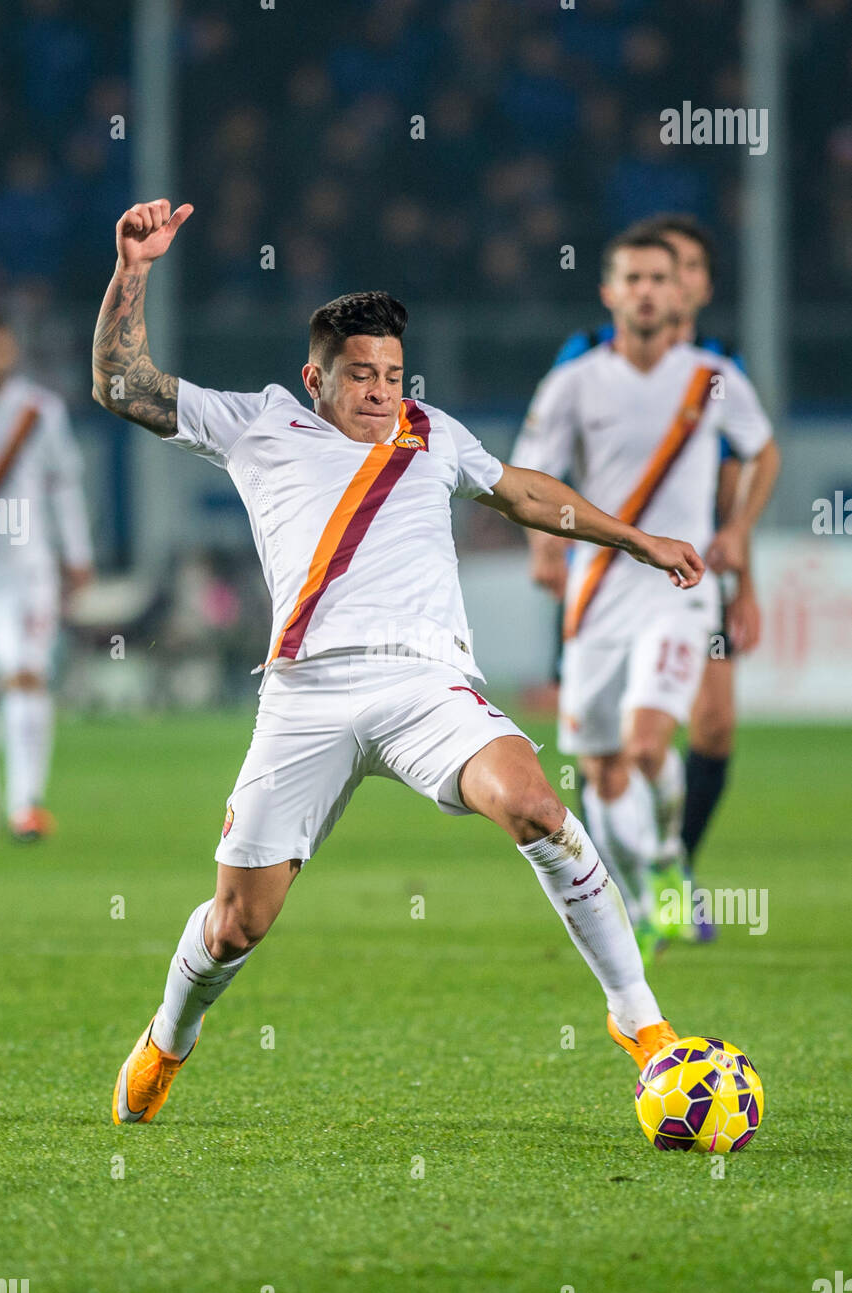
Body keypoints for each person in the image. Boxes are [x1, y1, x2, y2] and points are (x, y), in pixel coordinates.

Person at [92, 200, 705, 1124]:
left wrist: (632, 539)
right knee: (235, 927)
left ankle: (644, 1028)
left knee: (538, 806)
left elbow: (523, 492)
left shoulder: (434, 433)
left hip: (427, 685)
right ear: (315, 379)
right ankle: (169, 1038)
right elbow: (121, 386)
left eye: (392, 374)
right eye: (360, 376)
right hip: (302, 696)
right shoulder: (258, 425)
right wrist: (133, 270)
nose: (382, 391)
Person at [513, 228, 778, 960]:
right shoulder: (576, 380)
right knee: (599, 765)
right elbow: (531, 476)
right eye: (632, 278)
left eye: (660, 278)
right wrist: (543, 550)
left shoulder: (711, 376)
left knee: (645, 742)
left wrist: (737, 530)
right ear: (609, 292)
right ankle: (636, 893)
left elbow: (761, 452)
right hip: (595, 592)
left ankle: (665, 859)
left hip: (678, 587)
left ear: (679, 292)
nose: (647, 291)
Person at [0, 311, 94, 844]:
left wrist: (76, 553)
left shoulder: (38, 409)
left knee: (25, 674)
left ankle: (25, 805)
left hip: (25, 570)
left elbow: (64, 485)